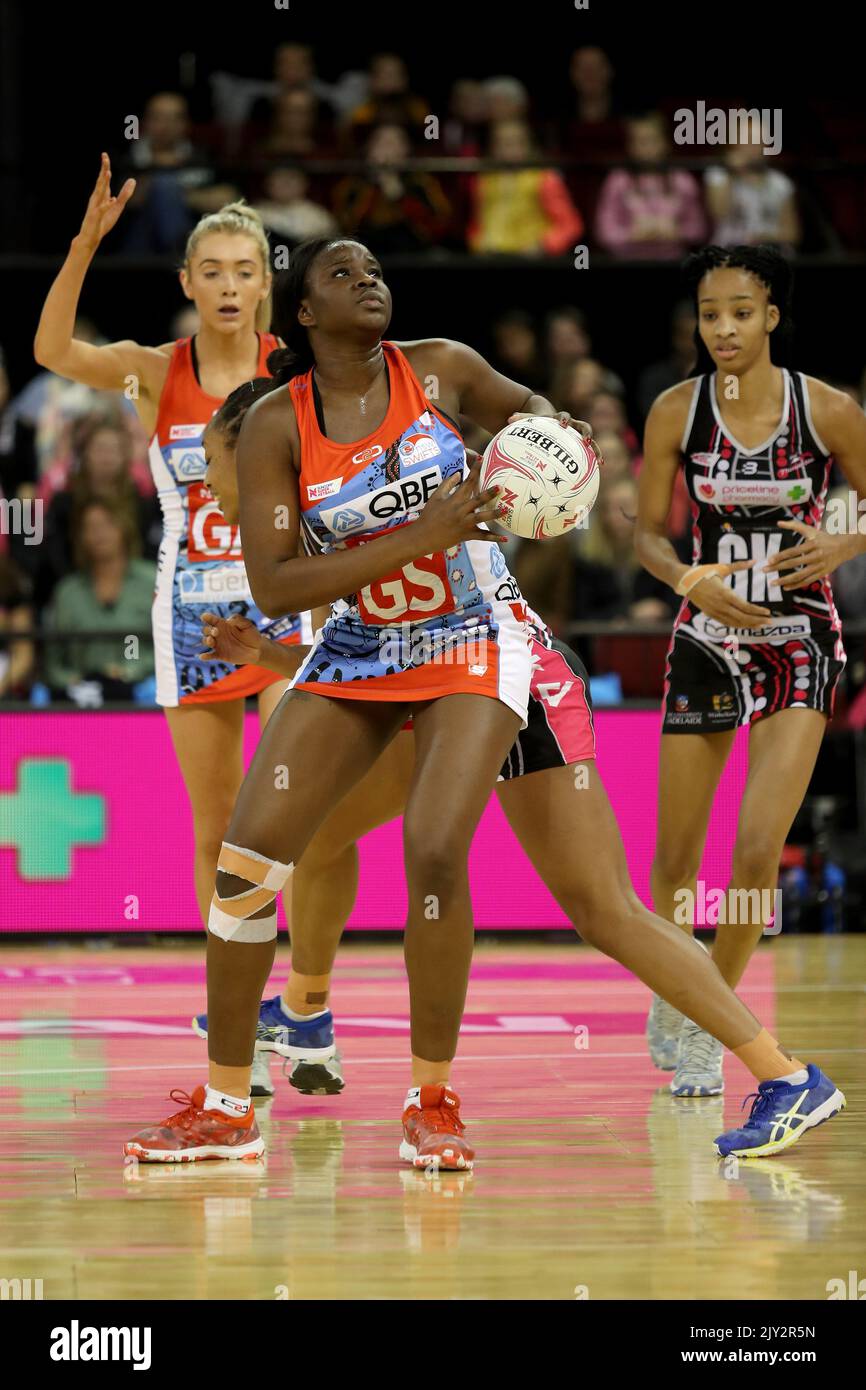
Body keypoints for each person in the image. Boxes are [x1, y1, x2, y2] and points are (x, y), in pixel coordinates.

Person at [124, 240, 845, 1167]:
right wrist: (417, 535)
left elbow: (541, 414)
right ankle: (232, 1101)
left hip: (483, 635)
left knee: (538, 883)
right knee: (248, 858)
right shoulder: (274, 424)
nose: (370, 278)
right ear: (303, 312)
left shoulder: (441, 366)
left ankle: (440, 1097)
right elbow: (277, 583)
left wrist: (547, 458)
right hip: (365, 651)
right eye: (342, 274)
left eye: (376, 267)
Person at [33, 159, 307, 1092]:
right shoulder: (157, 370)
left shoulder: (296, 372)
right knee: (217, 823)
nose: (229, 286)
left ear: (266, 282)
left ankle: (296, 1003)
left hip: (286, 607)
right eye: (212, 271)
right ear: (187, 283)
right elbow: (52, 351)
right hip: (190, 611)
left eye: (244, 270)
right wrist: (83, 246)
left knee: (289, 805)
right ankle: (238, 1006)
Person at [636, 243, 866, 1097]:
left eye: (741, 310)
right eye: (709, 313)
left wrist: (848, 535)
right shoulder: (675, 411)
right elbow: (646, 535)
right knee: (672, 867)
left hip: (802, 637)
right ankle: (676, 985)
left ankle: (708, 1020)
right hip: (707, 635)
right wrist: (688, 577)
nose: (723, 327)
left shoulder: (828, 410)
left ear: (772, 316)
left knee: (759, 848)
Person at [43, 497, 156, 700]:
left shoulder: (152, 581)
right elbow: (53, 661)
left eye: (107, 524)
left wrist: (129, 671)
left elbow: (169, 645)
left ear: (124, 528)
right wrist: (73, 680)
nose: (99, 534)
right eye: (91, 527)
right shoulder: (67, 592)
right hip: (79, 698)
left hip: (141, 694)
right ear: (81, 536)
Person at [595, 113, 706, 260]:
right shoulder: (618, 180)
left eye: (652, 140)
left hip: (672, 262)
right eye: (640, 141)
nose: (646, 148)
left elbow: (699, 229)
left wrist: (677, 231)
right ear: (630, 146)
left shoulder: (682, 179)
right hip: (627, 262)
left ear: (665, 143)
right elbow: (604, 231)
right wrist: (631, 234)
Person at [468, 119, 584, 257]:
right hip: (491, 258)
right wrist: (477, 243)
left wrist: (543, 247)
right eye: (502, 143)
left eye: (515, 143)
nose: (508, 150)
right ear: (493, 147)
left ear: (527, 145)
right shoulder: (484, 180)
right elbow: (477, 224)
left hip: (530, 259)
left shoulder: (544, 178)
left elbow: (571, 225)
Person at [334, 124, 451, 255]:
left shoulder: (423, 184)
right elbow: (346, 228)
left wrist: (398, 195)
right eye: (381, 143)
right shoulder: (352, 185)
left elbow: (436, 228)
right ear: (368, 150)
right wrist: (377, 181)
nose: (387, 150)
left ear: (406, 151)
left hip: (413, 255)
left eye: (394, 143)